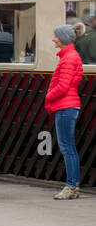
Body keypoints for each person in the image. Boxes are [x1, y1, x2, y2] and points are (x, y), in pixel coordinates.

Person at [45, 24, 83, 199]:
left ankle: (70, 186)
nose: (54, 39)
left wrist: (48, 96)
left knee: (67, 147)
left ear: (63, 39)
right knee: (70, 147)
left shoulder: (68, 59)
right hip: (69, 105)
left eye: (55, 36)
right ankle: (73, 186)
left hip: (65, 106)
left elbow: (63, 86)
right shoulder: (71, 56)